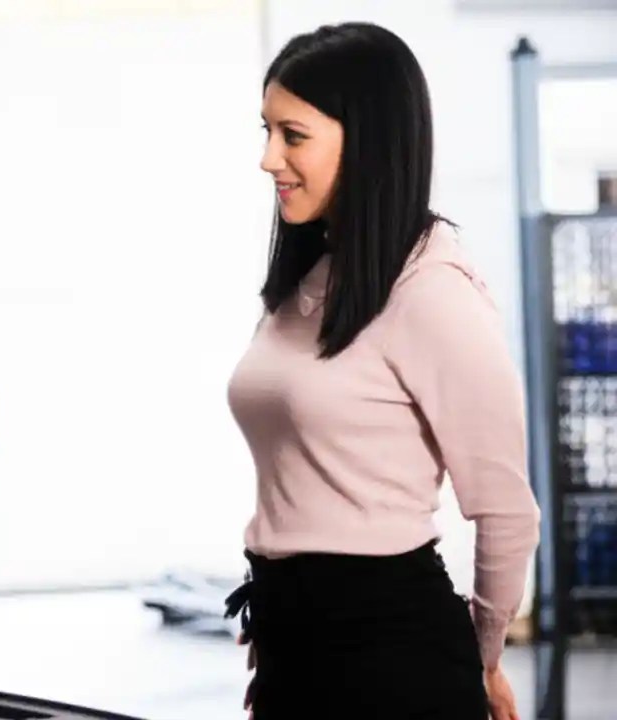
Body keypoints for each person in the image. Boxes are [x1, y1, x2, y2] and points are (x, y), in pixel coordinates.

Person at [224, 22, 540, 720]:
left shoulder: (432, 289)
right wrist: (283, 637)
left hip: (391, 657)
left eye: (292, 135)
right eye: (266, 131)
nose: (268, 158)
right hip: (292, 643)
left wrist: (480, 658)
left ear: (364, 139)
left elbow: (506, 508)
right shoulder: (315, 276)